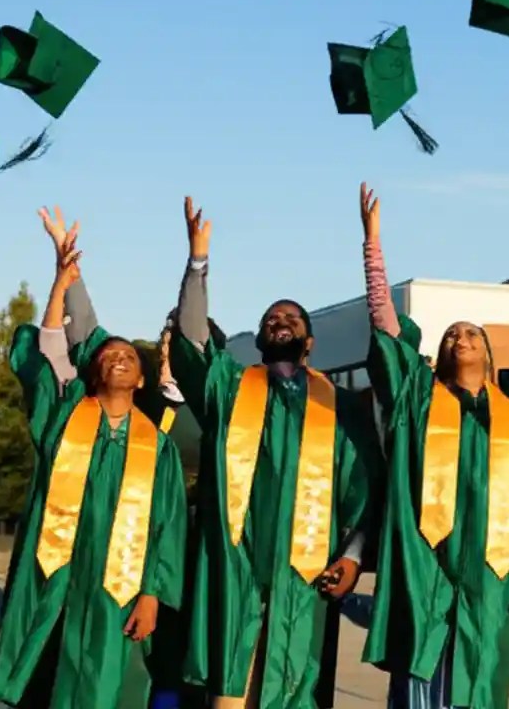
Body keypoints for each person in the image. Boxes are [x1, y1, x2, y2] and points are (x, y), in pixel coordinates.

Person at [169, 196, 381, 708]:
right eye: (270, 317)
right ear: (261, 339)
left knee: (294, 689)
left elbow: (365, 491)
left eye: (291, 317)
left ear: (309, 341)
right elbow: (192, 341)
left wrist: (352, 560)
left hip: (306, 574)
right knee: (231, 690)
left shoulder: (343, 406)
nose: (279, 320)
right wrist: (197, 263)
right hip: (237, 563)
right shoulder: (230, 386)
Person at [0, 209, 188, 707]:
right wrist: (60, 280)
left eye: (129, 358)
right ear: (92, 373)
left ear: (141, 379)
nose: (117, 357)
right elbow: (47, 354)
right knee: (44, 682)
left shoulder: (156, 446)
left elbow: (167, 528)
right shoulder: (65, 419)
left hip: (120, 591)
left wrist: (153, 595)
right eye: (108, 355)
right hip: (54, 580)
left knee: (106, 689)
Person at [354, 182, 509, 708]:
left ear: (488, 354)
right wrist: (373, 249)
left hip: (493, 571)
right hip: (426, 562)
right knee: (423, 674)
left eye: (472, 335)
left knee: (481, 680)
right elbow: (389, 333)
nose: (461, 339)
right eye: (451, 336)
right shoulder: (419, 398)